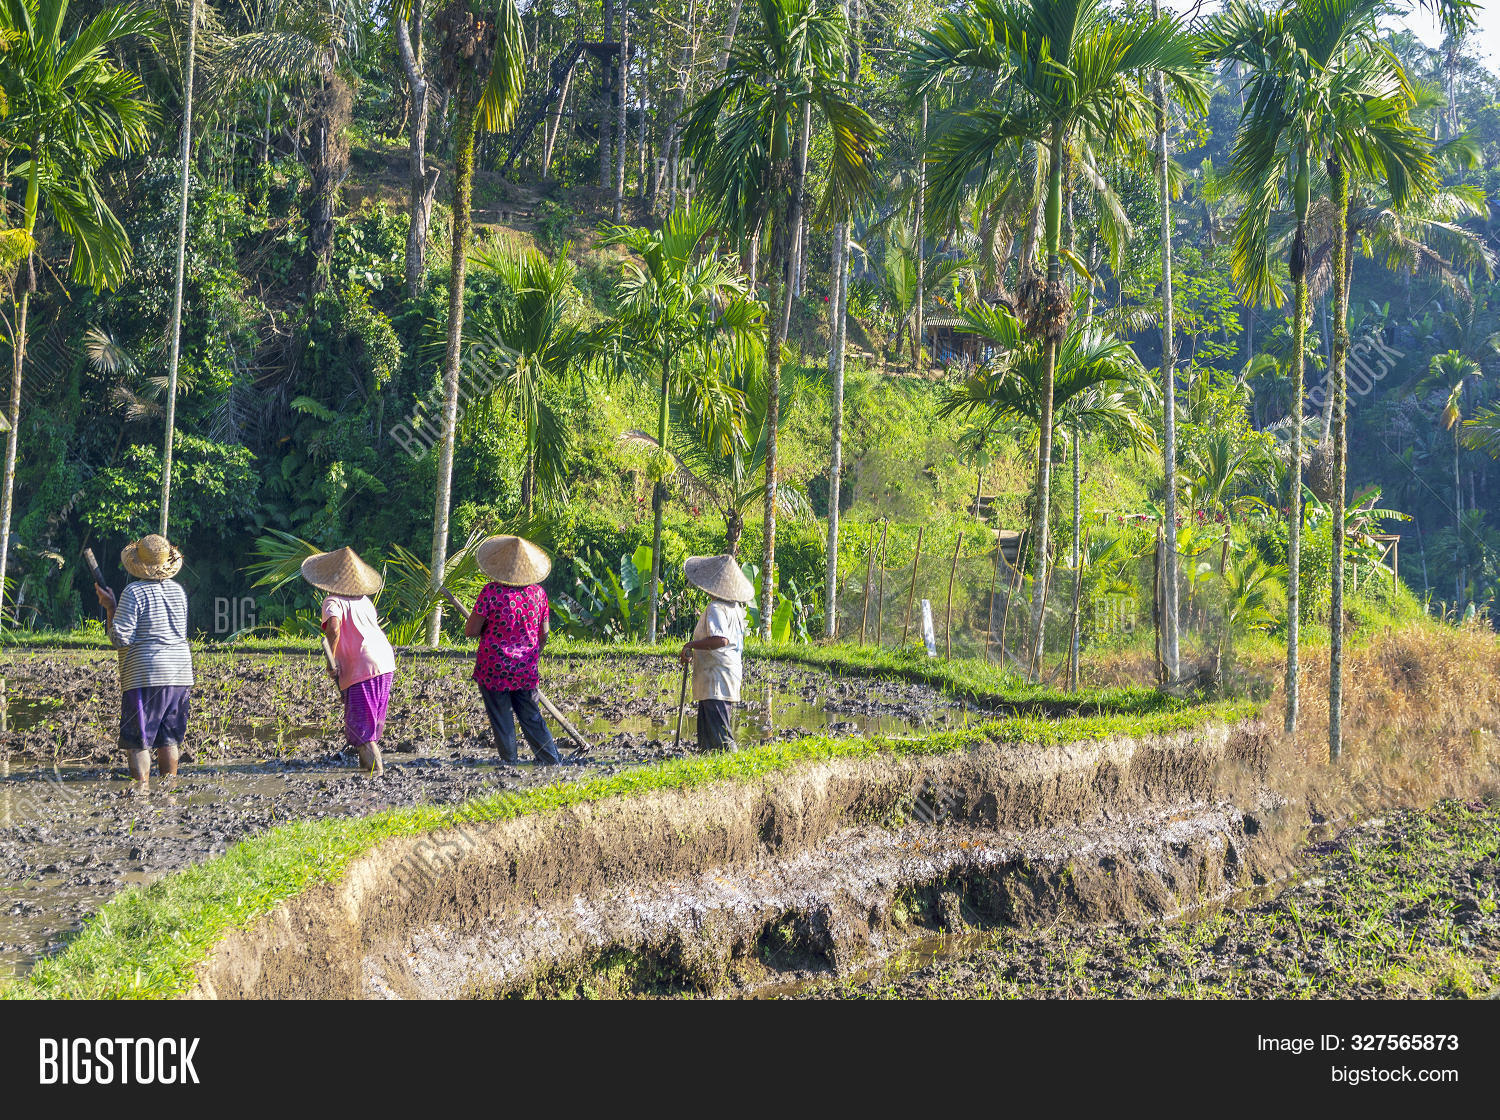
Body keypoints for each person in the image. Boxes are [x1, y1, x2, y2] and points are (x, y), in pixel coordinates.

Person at [94, 534, 193, 790]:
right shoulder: (177, 591)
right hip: (180, 672)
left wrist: (109, 608)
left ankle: (141, 792)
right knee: (169, 738)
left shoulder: (134, 592)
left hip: (147, 673)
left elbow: (120, 639)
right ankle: (169, 793)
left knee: (138, 740)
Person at [460, 535, 562, 766]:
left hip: (493, 668)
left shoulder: (491, 592)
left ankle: (510, 762)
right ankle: (550, 759)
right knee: (531, 716)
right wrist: (533, 654)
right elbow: (544, 634)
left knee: (502, 717)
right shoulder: (538, 594)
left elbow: (471, 630)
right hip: (525, 668)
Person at [300, 546, 396, 775]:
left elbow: (333, 628)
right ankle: (368, 772)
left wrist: (331, 659)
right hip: (384, 662)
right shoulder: (364, 602)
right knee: (368, 727)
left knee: (363, 733)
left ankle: (376, 777)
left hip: (362, 666)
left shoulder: (332, 601)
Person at [678, 555, 752, 753]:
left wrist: (690, 645)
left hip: (717, 675)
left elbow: (721, 640)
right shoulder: (735, 608)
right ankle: (707, 760)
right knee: (707, 730)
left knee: (720, 732)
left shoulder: (716, 608)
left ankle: (732, 761)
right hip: (722, 673)